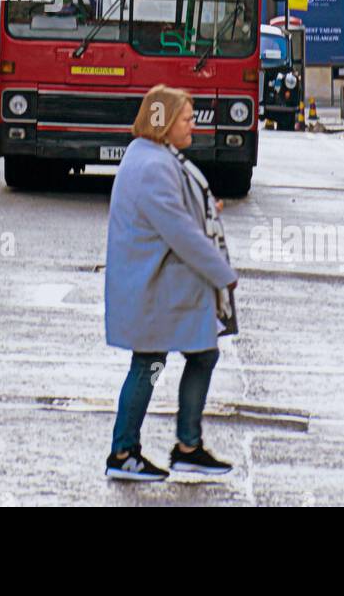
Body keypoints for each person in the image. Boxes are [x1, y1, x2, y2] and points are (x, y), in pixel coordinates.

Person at [104, 85, 238, 481]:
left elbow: (174, 212)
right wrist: (222, 273)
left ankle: (186, 447)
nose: (192, 125)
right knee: (150, 361)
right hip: (157, 286)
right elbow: (178, 230)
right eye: (185, 118)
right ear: (162, 122)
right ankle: (125, 453)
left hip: (161, 284)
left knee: (198, 354)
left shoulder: (151, 156)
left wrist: (204, 208)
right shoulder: (154, 165)